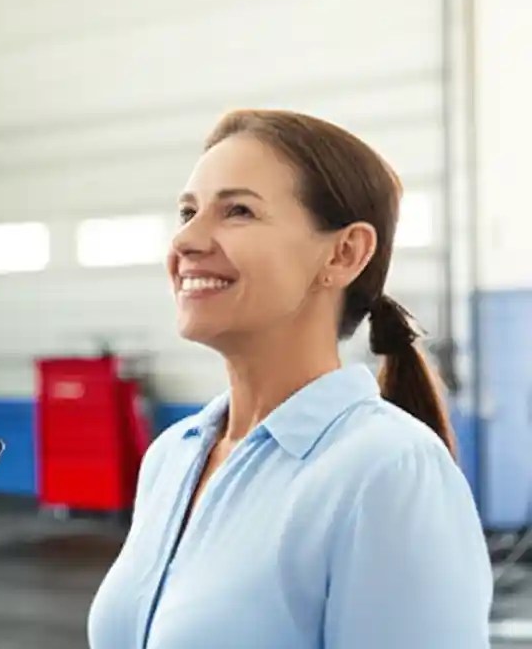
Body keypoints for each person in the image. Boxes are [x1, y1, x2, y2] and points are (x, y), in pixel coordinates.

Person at [87, 109, 492, 648]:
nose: (186, 239)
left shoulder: (388, 471)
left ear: (344, 253)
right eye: (187, 210)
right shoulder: (172, 458)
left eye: (237, 211)